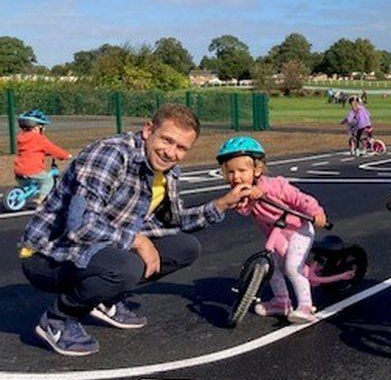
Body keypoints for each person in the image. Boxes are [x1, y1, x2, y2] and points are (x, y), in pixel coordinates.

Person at [19, 104, 253, 356]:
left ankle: (105, 297)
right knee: (127, 267)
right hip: (48, 255)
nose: (171, 152)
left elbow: (171, 223)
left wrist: (222, 204)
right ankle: (59, 319)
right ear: (148, 130)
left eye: (181, 147)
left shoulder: (167, 172)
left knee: (185, 248)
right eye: (167, 140)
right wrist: (138, 241)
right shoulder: (110, 155)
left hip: (98, 249)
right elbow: (80, 225)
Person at [217, 136, 328, 323]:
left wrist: (317, 212)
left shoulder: (275, 185)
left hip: (298, 228)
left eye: (242, 170)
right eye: (230, 172)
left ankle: (306, 306)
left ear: (257, 169)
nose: (236, 177)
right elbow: (245, 211)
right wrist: (238, 200)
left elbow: (299, 199)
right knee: (272, 268)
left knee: (293, 267)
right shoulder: (241, 191)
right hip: (276, 235)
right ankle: (281, 301)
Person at [13, 109, 71, 205]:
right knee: (47, 181)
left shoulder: (21, 138)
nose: (44, 129)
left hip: (19, 171)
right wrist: (65, 155)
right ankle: (42, 200)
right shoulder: (39, 138)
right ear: (36, 128)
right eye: (42, 126)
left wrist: (44, 153)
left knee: (32, 184)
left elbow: (31, 150)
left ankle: (22, 194)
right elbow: (52, 149)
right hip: (32, 170)